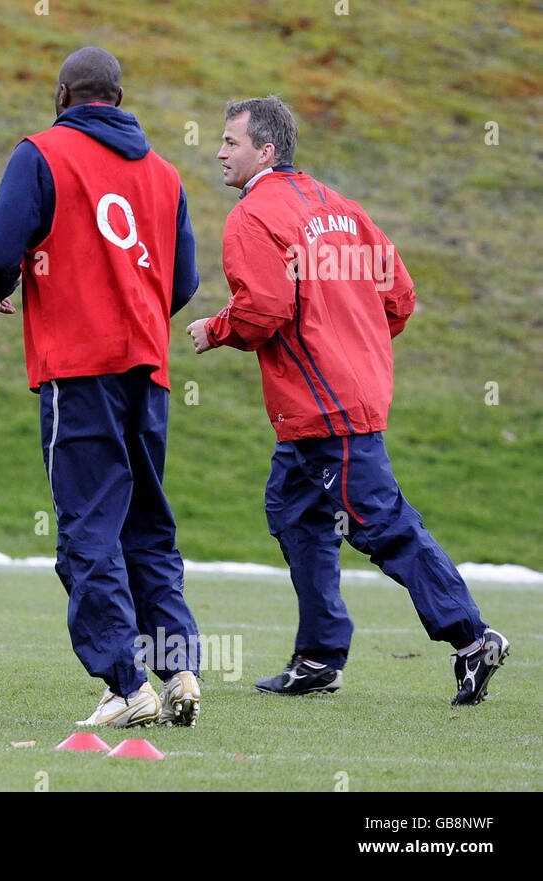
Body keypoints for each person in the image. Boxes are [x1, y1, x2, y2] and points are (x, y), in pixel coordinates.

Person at [185, 96, 508, 706]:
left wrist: (217, 329)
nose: (219, 152)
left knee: (380, 522)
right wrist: (348, 342)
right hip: (321, 408)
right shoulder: (342, 208)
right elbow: (400, 298)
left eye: (231, 142)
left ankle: (471, 639)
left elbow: (263, 310)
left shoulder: (254, 215)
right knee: (295, 515)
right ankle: (318, 657)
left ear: (266, 150)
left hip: (324, 406)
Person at [0, 47, 203, 728]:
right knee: (147, 524)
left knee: (86, 528)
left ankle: (124, 682)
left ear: (62, 93)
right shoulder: (164, 172)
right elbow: (183, 280)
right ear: (119, 96)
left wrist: (3, 285)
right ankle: (180, 667)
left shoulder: (41, 153)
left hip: (80, 368)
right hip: (148, 368)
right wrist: (132, 305)